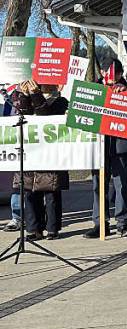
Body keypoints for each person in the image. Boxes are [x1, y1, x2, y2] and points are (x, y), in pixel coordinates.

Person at [85, 63, 127, 238]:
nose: (111, 76)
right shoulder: (92, 89)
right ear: (101, 72)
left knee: (122, 185)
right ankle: (100, 223)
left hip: (121, 145)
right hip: (99, 146)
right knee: (98, 186)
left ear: (120, 74)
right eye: (107, 72)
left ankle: (123, 222)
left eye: (115, 73)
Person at [11, 81, 68, 240]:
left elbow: (45, 117)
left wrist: (36, 95)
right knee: (29, 191)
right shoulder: (29, 97)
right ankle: (33, 228)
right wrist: (24, 95)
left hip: (51, 153)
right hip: (31, 151)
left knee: (51, 192)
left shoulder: (60, 101)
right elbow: (25, 115)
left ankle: (52, 228)